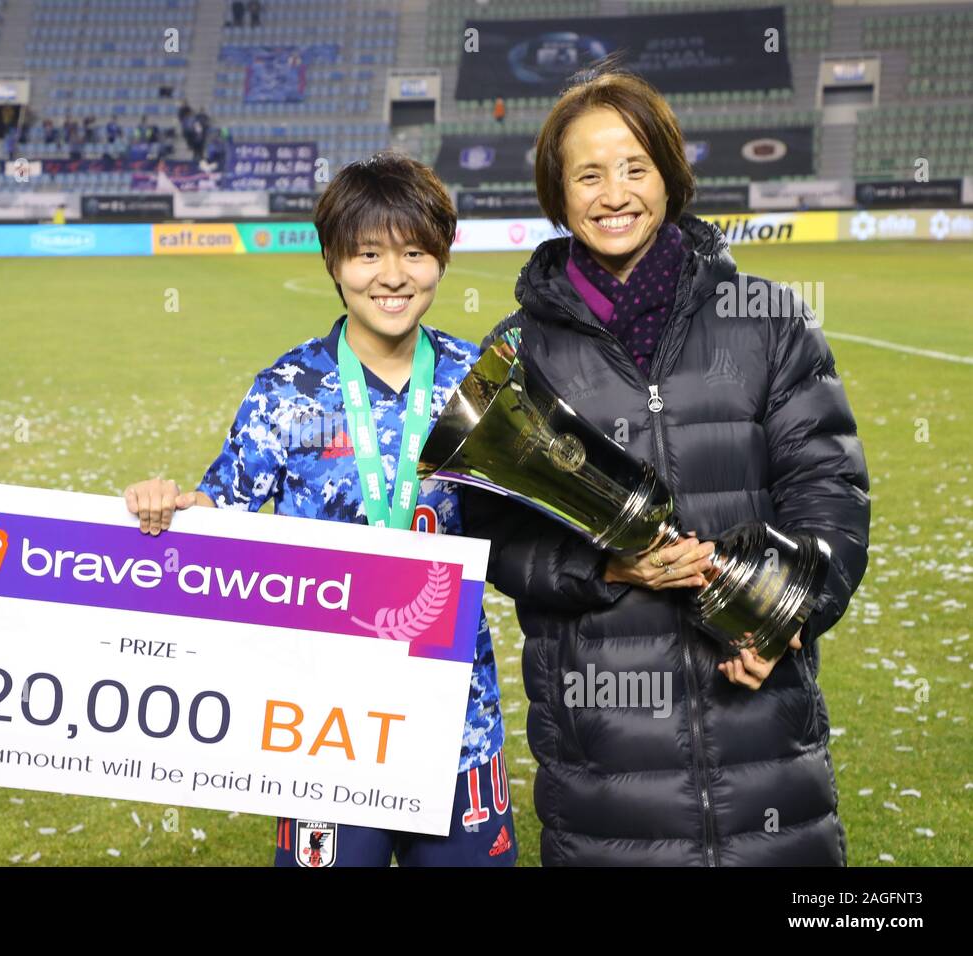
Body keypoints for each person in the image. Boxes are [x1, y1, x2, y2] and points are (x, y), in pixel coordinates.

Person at [463, 65, 870, 865]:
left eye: (635, 167)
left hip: (763, 736)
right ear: (557, 192)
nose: (614, 193)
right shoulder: (520, 350)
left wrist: (792, 608)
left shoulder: (770, 320)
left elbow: (830, 490)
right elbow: (493, 534)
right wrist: (607, 566)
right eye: (588, 173)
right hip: (603, 756)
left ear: (670, 176)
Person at [123, 153, 516, 867]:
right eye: (368, 254)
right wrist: (168, 506)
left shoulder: (475, 384)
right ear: (334, 261)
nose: (392, 276)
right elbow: (220, 514)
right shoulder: (285, 388)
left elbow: (530, 520)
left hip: (458, 719)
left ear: (442, 258)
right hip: (323, 725)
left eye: (414, 253)